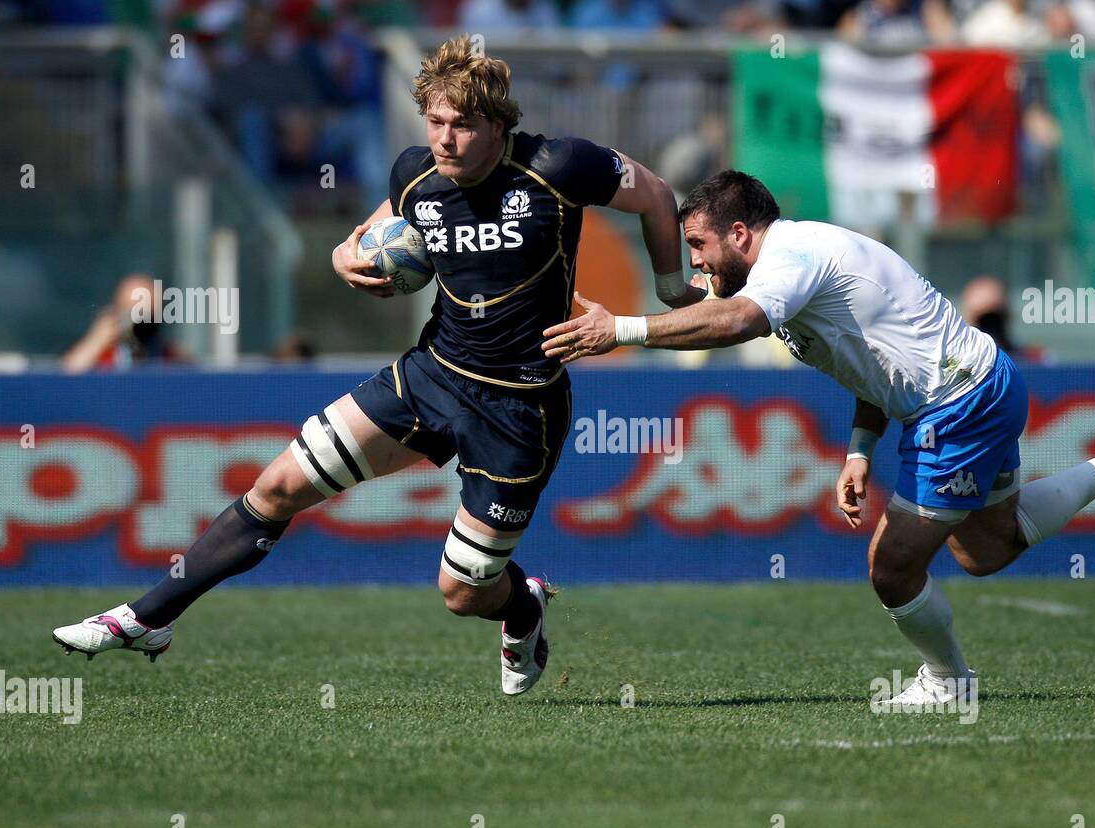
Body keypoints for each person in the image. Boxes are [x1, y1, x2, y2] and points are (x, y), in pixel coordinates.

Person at [52, 35, 701, 695]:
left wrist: (671, 288)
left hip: (520, 408)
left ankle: (521, 605)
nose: (446, 139)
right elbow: (367, 233)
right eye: (437, 122)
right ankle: (147, 616)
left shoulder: (560, 165)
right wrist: (344, 256)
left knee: (461, 591)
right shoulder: (415, 175)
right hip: (431, 376)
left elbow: (653, 193)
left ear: (500, 127)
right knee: (278, 485)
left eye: (463, 125)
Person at [542, 170, 1095, 706]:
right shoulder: (789, 266)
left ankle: (950, 683)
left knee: (891, 565)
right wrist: (859, 452)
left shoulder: (791, 257)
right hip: (980, 385)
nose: (695, 262)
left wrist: (620, 330)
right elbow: (868, 362)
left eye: (699, 246)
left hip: (959, 403)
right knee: (988, 546)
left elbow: (734, 323)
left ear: (743, 233)